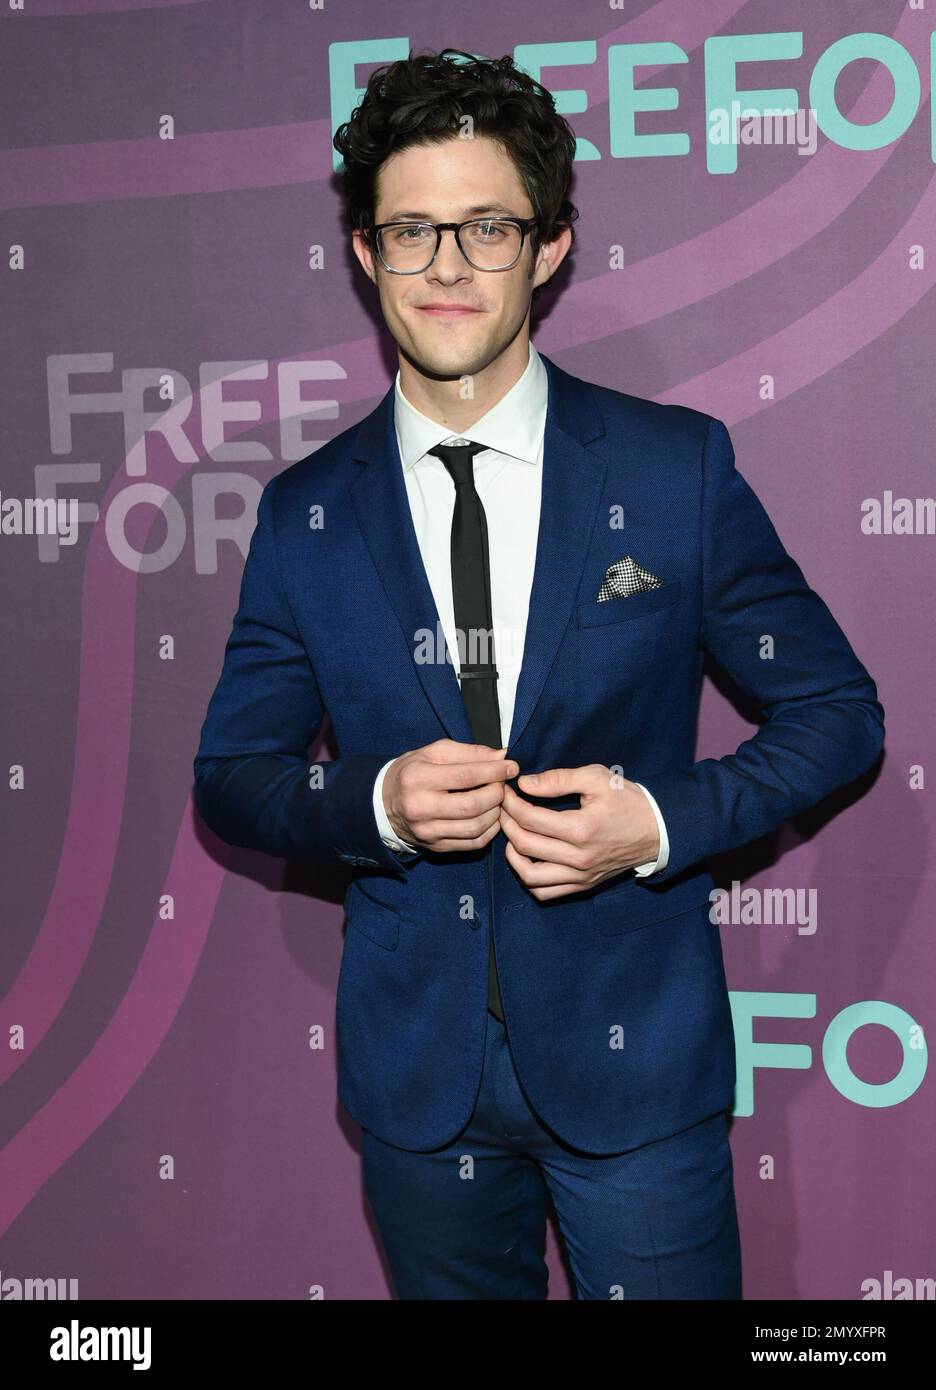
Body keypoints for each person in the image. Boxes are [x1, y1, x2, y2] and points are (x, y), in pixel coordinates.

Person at [193, 49, 885, 1300]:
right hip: (418, 1080)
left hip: (638, 1067)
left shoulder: (674, 471)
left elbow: (836, 712)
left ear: (550, 247)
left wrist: (663, 822)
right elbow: (234, 775)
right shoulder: (307, 514)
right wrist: (377, 805)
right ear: (364, 252)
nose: (447, 266)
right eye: (412, 229)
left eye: (488, 226)